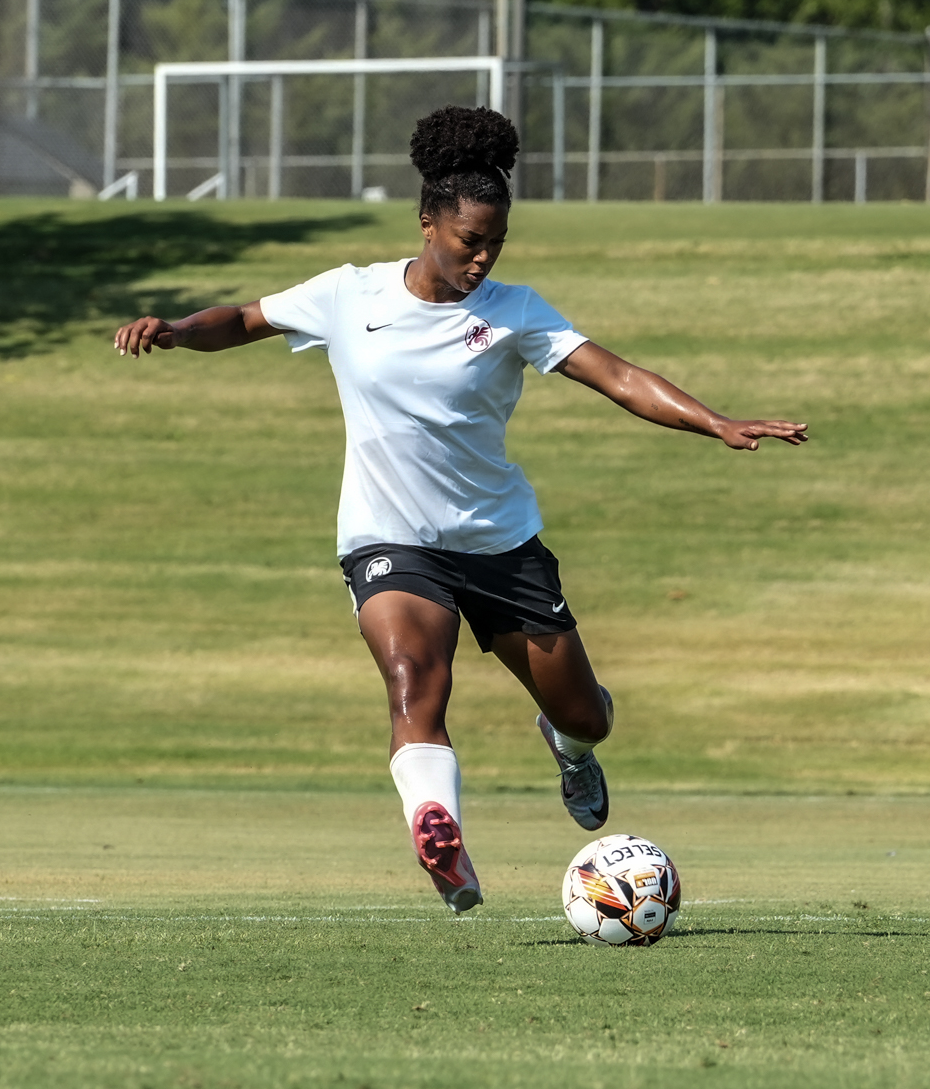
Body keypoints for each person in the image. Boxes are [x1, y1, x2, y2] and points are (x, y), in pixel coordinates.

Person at [113, 106, 807, 913]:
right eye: (469, 241)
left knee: (587, 714)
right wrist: (176, 330)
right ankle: (439, 832)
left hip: (500, 544)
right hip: (390, 539)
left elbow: (616, 375)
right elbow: (242, 319)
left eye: (495, 244)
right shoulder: (350, 293)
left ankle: (569, 747)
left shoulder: (515, 310)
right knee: (414, 681)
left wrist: (715, 420)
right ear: (427, 222)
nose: (482, 259)